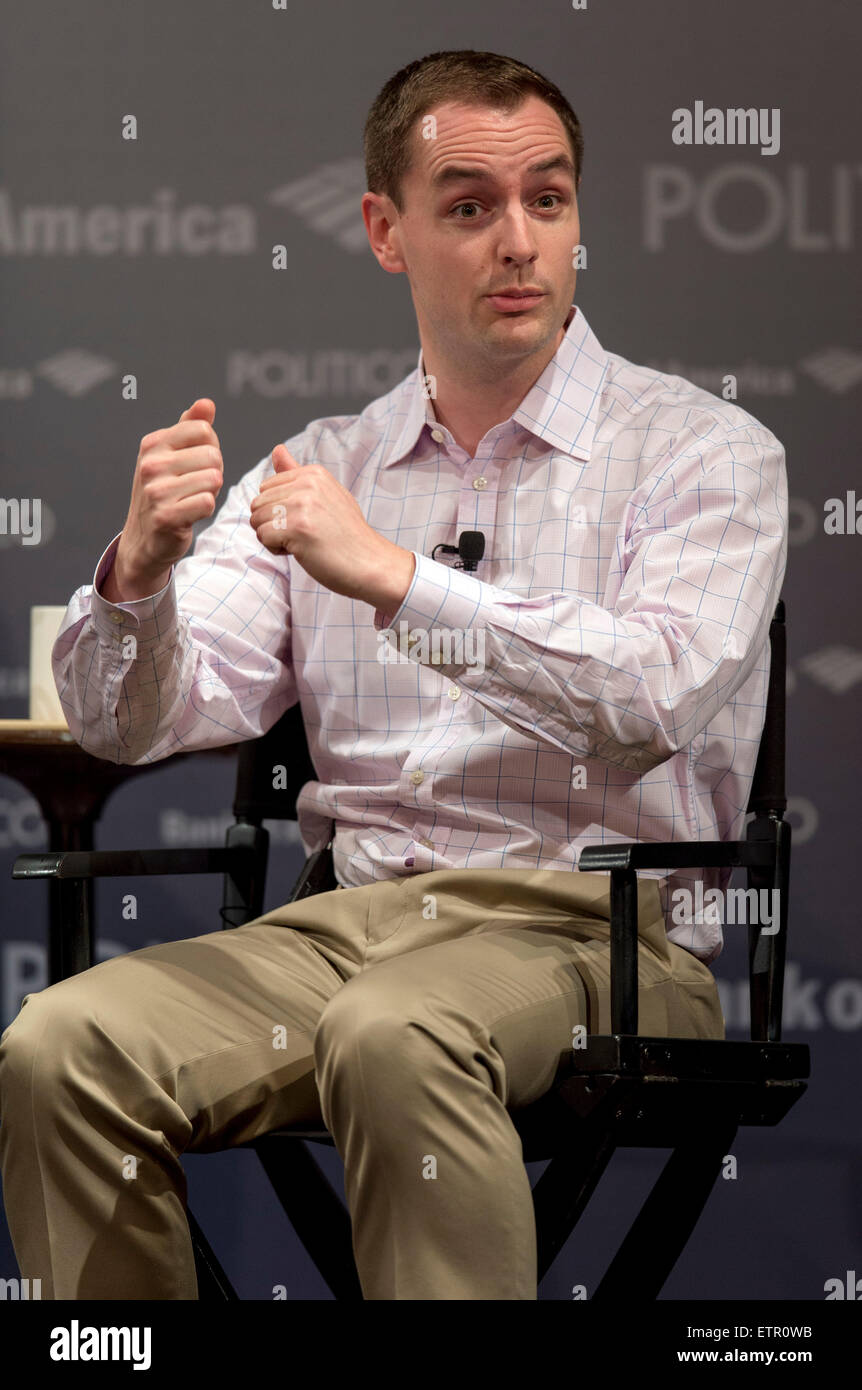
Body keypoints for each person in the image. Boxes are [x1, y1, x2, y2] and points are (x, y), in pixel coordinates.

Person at [0, 49, 786, 1300]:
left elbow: (650, 699)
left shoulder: (704, 451)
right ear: (385, 229)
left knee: (398, 1031)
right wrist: (138, 577)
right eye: (469, 205)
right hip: (341, 929)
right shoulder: (314, 468)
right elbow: (123, 722)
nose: (519, 241)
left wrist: (395, 579)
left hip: (598, 934)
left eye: (549, 198)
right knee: (61, 1044)